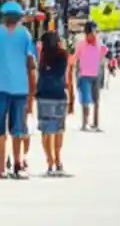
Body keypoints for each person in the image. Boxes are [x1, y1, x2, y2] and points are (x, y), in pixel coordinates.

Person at [0, 1, 37, 179]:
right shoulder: (25, 35)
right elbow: (31, 61)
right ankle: (17, 164)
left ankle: (1, 168)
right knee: (18, 129)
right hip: (20, 88)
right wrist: (32, 90)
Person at [34, 31, 74, 175]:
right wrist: (72, 98)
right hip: (58, 95)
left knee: (46, 131)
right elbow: (68, 77)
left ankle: (49, 161)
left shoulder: (42, 57)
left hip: (44, 95)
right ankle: (58, 160)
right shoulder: (63, 55)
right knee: (58, 130)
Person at [72, 24, 107, 132]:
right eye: (92, 32)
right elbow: (76, 58)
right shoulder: (81, 44)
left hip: (96, 75)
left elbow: (102, 59)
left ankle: (96, 124)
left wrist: (102, 76)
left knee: (96, 101)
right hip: (84, 76)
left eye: (95, 32)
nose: (94, 34)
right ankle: (84, 123)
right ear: (87, 33)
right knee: (85, 101)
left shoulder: (99, 43)